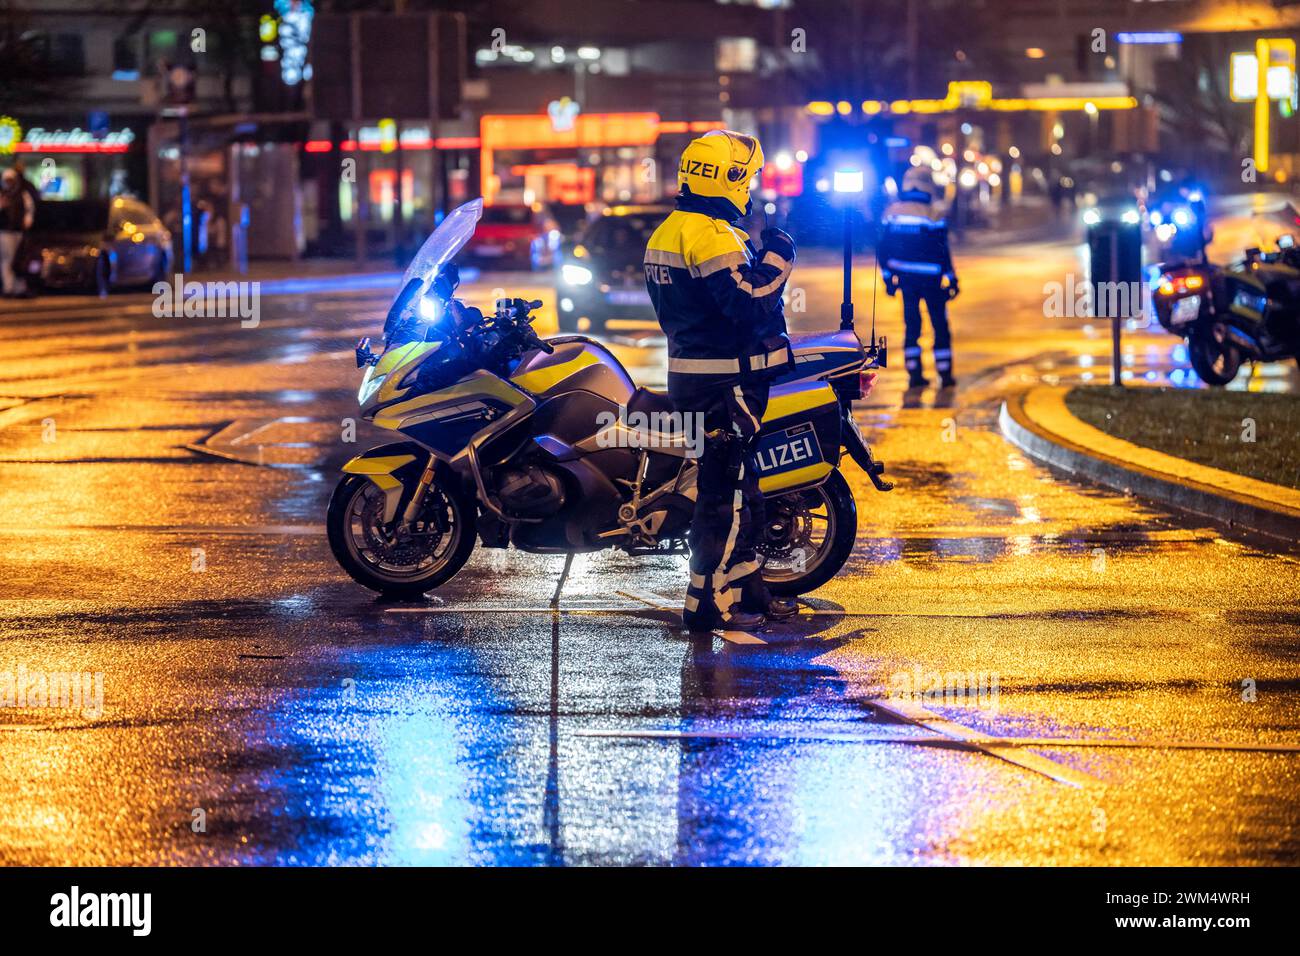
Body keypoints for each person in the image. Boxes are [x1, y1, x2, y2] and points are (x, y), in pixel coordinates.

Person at [643, 130, 798, 632]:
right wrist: (779, 255)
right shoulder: (710, 235)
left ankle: (748, 582)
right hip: (725, 383)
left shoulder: (669, 230)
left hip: (693, 377)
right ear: (727, 178)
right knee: (723, 492)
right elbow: (748, 305)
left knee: (740, 483)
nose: (749, 189)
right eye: (746, 178)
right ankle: (706, 599)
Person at [879, 167, 958, 388]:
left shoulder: (892, 212)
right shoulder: (934, 213)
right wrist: (951, 279)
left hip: (906, 280)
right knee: (939, 326)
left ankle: (914, 374)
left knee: (912, 326)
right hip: (932, 280)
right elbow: (943, 250)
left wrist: (888, 278)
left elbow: (883, 248)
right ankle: (945, 374)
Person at [0, 168, 35, 298]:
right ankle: (9, 288)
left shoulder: (23, 194)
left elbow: (29, 210)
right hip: (5, 232)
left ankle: (19, 288)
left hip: (19, 232)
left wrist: (27, 221)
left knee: (19, 261)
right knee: (7, 261)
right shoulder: (2, 195)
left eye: (11, 180)